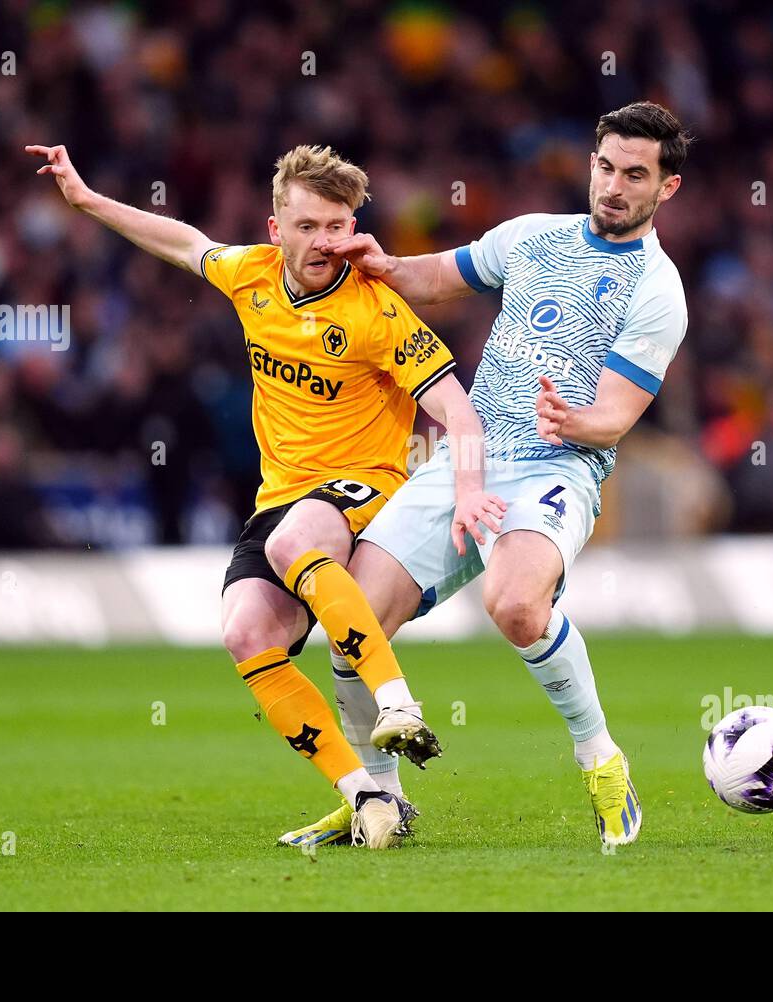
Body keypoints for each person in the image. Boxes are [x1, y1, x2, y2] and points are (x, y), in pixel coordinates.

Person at [26, 142, 504, 848]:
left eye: (337, 227)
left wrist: (467, 491)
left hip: (365, 484)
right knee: (245, 633)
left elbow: (458, 412)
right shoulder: (250, 273)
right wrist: (87, 200)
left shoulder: (376, 310)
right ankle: (365, 794)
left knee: (292, 544)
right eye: (307, 226)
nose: (323, 241)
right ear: (276, 229)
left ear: (353, 230)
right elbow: (185, 242)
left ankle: (399, 703)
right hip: (279, 493)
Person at [280, 102, 691, 848]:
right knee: (350, 625)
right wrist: (383, 265)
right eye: (606, 166)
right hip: (468, 456)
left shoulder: (658, 291)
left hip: (557, 465)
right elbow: (436, 277)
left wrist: (573, 420)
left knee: (515, 605)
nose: (614, 186)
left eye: (636, 174)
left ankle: (600, 759)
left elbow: (618, 415)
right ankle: (381, 800)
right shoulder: (533, 236)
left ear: (668, 188)